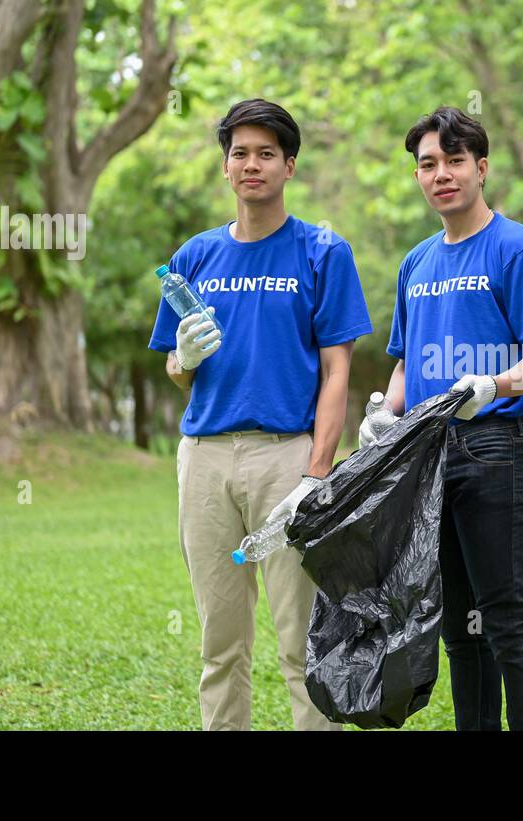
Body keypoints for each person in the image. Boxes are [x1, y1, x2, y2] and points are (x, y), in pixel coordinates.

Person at [148, 98, 373, 731]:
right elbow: (176, 370)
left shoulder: (323, 252)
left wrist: (315, 472)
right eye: (240, 153)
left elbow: (337, 373)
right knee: (220, 645)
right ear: (225, 166)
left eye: (266, 153)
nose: (252, 164)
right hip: (205, 459)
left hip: (287, 458)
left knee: (301, 643)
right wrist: (182, 357)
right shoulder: (194, 258)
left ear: (289, 166)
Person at [359, 106, 523, 731]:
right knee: (458, 626)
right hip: (424, 458)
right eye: (428, 164)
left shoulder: (518, 250)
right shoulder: (417, 263)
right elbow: (404, 364)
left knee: (507, 616)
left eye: (455, 161)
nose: (441, 175)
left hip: (495, 451)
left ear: (481, 168)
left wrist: (499, 383)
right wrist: (384, 413)